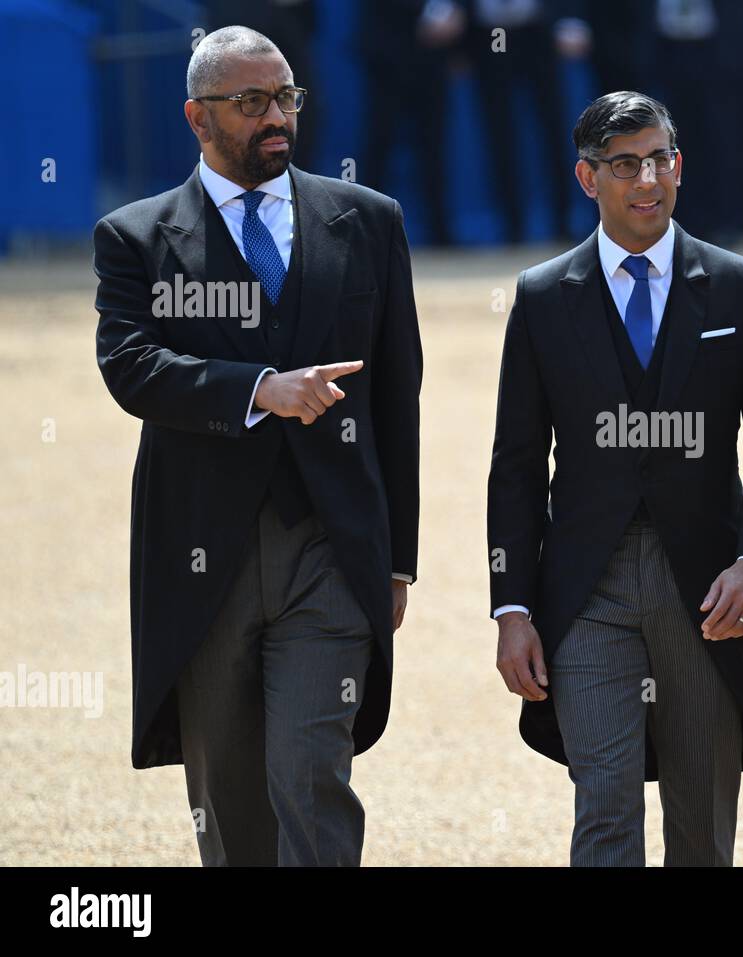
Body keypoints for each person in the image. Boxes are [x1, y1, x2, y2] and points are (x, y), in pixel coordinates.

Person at [93, 26, 422, 866]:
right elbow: (133, 368)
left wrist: (397, 559)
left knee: (311, 773)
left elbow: (396, 397)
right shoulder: (135, 237)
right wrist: (257, 389)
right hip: (202, 555)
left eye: (286, 98)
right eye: (251, 104)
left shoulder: (369, 221)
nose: (276, 117)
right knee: (230, 797)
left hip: (331, 547)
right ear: (198, 120)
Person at [487, 91, 743, 866]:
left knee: (700, 825)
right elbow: (518, 464)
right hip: (585, 590)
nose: (647, 178)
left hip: (705, 589)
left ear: (680, 165)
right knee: (604, 810)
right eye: (625, 164)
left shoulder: (737, 285)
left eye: (659, 158)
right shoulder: (540, 298)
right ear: (587, 178)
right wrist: (512, 606)